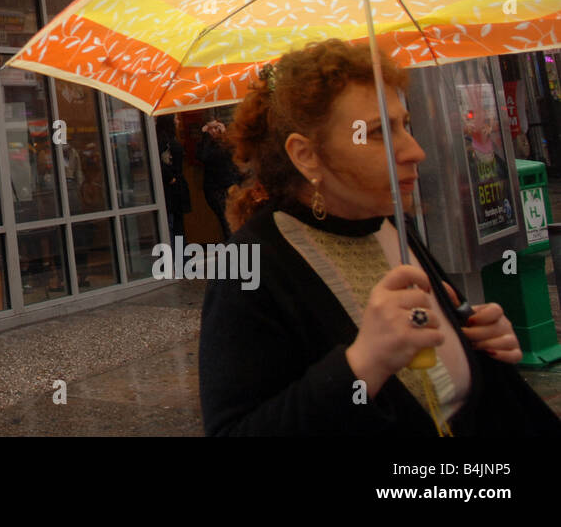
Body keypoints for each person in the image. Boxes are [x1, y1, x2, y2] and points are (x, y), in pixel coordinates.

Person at [199, 39, 561, 436]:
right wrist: (363, 364)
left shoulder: (391, 225)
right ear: (306, 155)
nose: (414, 151)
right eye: (377, 133)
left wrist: (475, 345)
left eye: (404, 125)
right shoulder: (252, 267)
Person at [197, 117, 239, 240]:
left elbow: (235, 152)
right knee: (225, 220)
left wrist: (225, 134)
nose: (214, 131)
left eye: (216, 128)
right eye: (211, 129)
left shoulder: (227, 143)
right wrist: (204, 136)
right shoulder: (206, 145)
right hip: (215, 189)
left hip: (230, 185)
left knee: (234, 219)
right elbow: (203, 157)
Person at [156, 114, 190, 241]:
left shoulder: (168, 138)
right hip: (172, 187)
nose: (178, 121)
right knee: (174, 225)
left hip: (175, 185)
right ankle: (180, 257)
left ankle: (182, 257)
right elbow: (158, 161)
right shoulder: (164, 140)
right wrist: (170, 178)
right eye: (175, 118)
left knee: (177, 224)